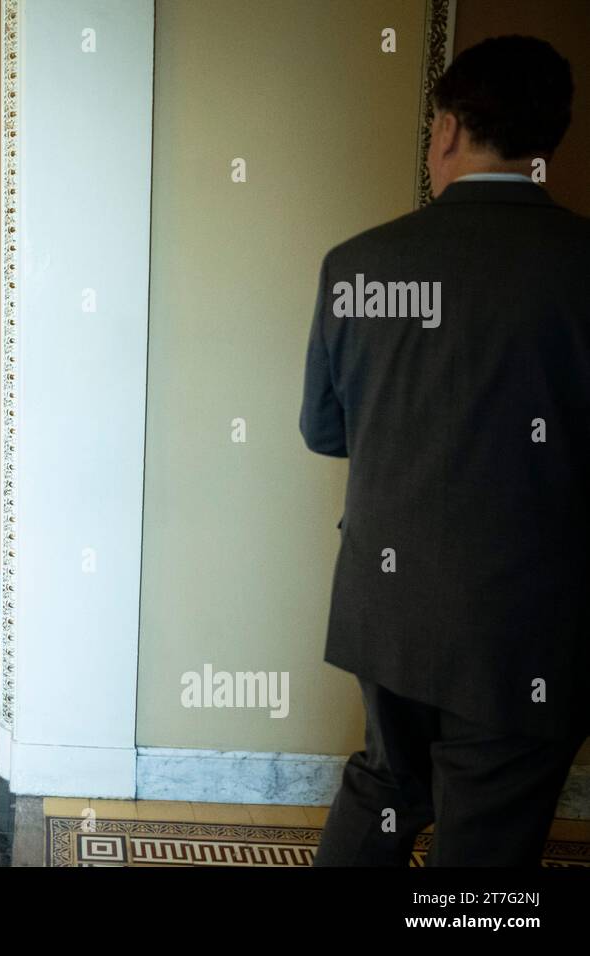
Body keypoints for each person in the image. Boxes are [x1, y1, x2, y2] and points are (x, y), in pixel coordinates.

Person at [301, 36, 589, 865]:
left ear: (450, 130)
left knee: (388, 780)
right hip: (526, 627)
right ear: (547, 141)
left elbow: (325, 431)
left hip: (385, 611)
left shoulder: (357, 265)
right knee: (487, 832)